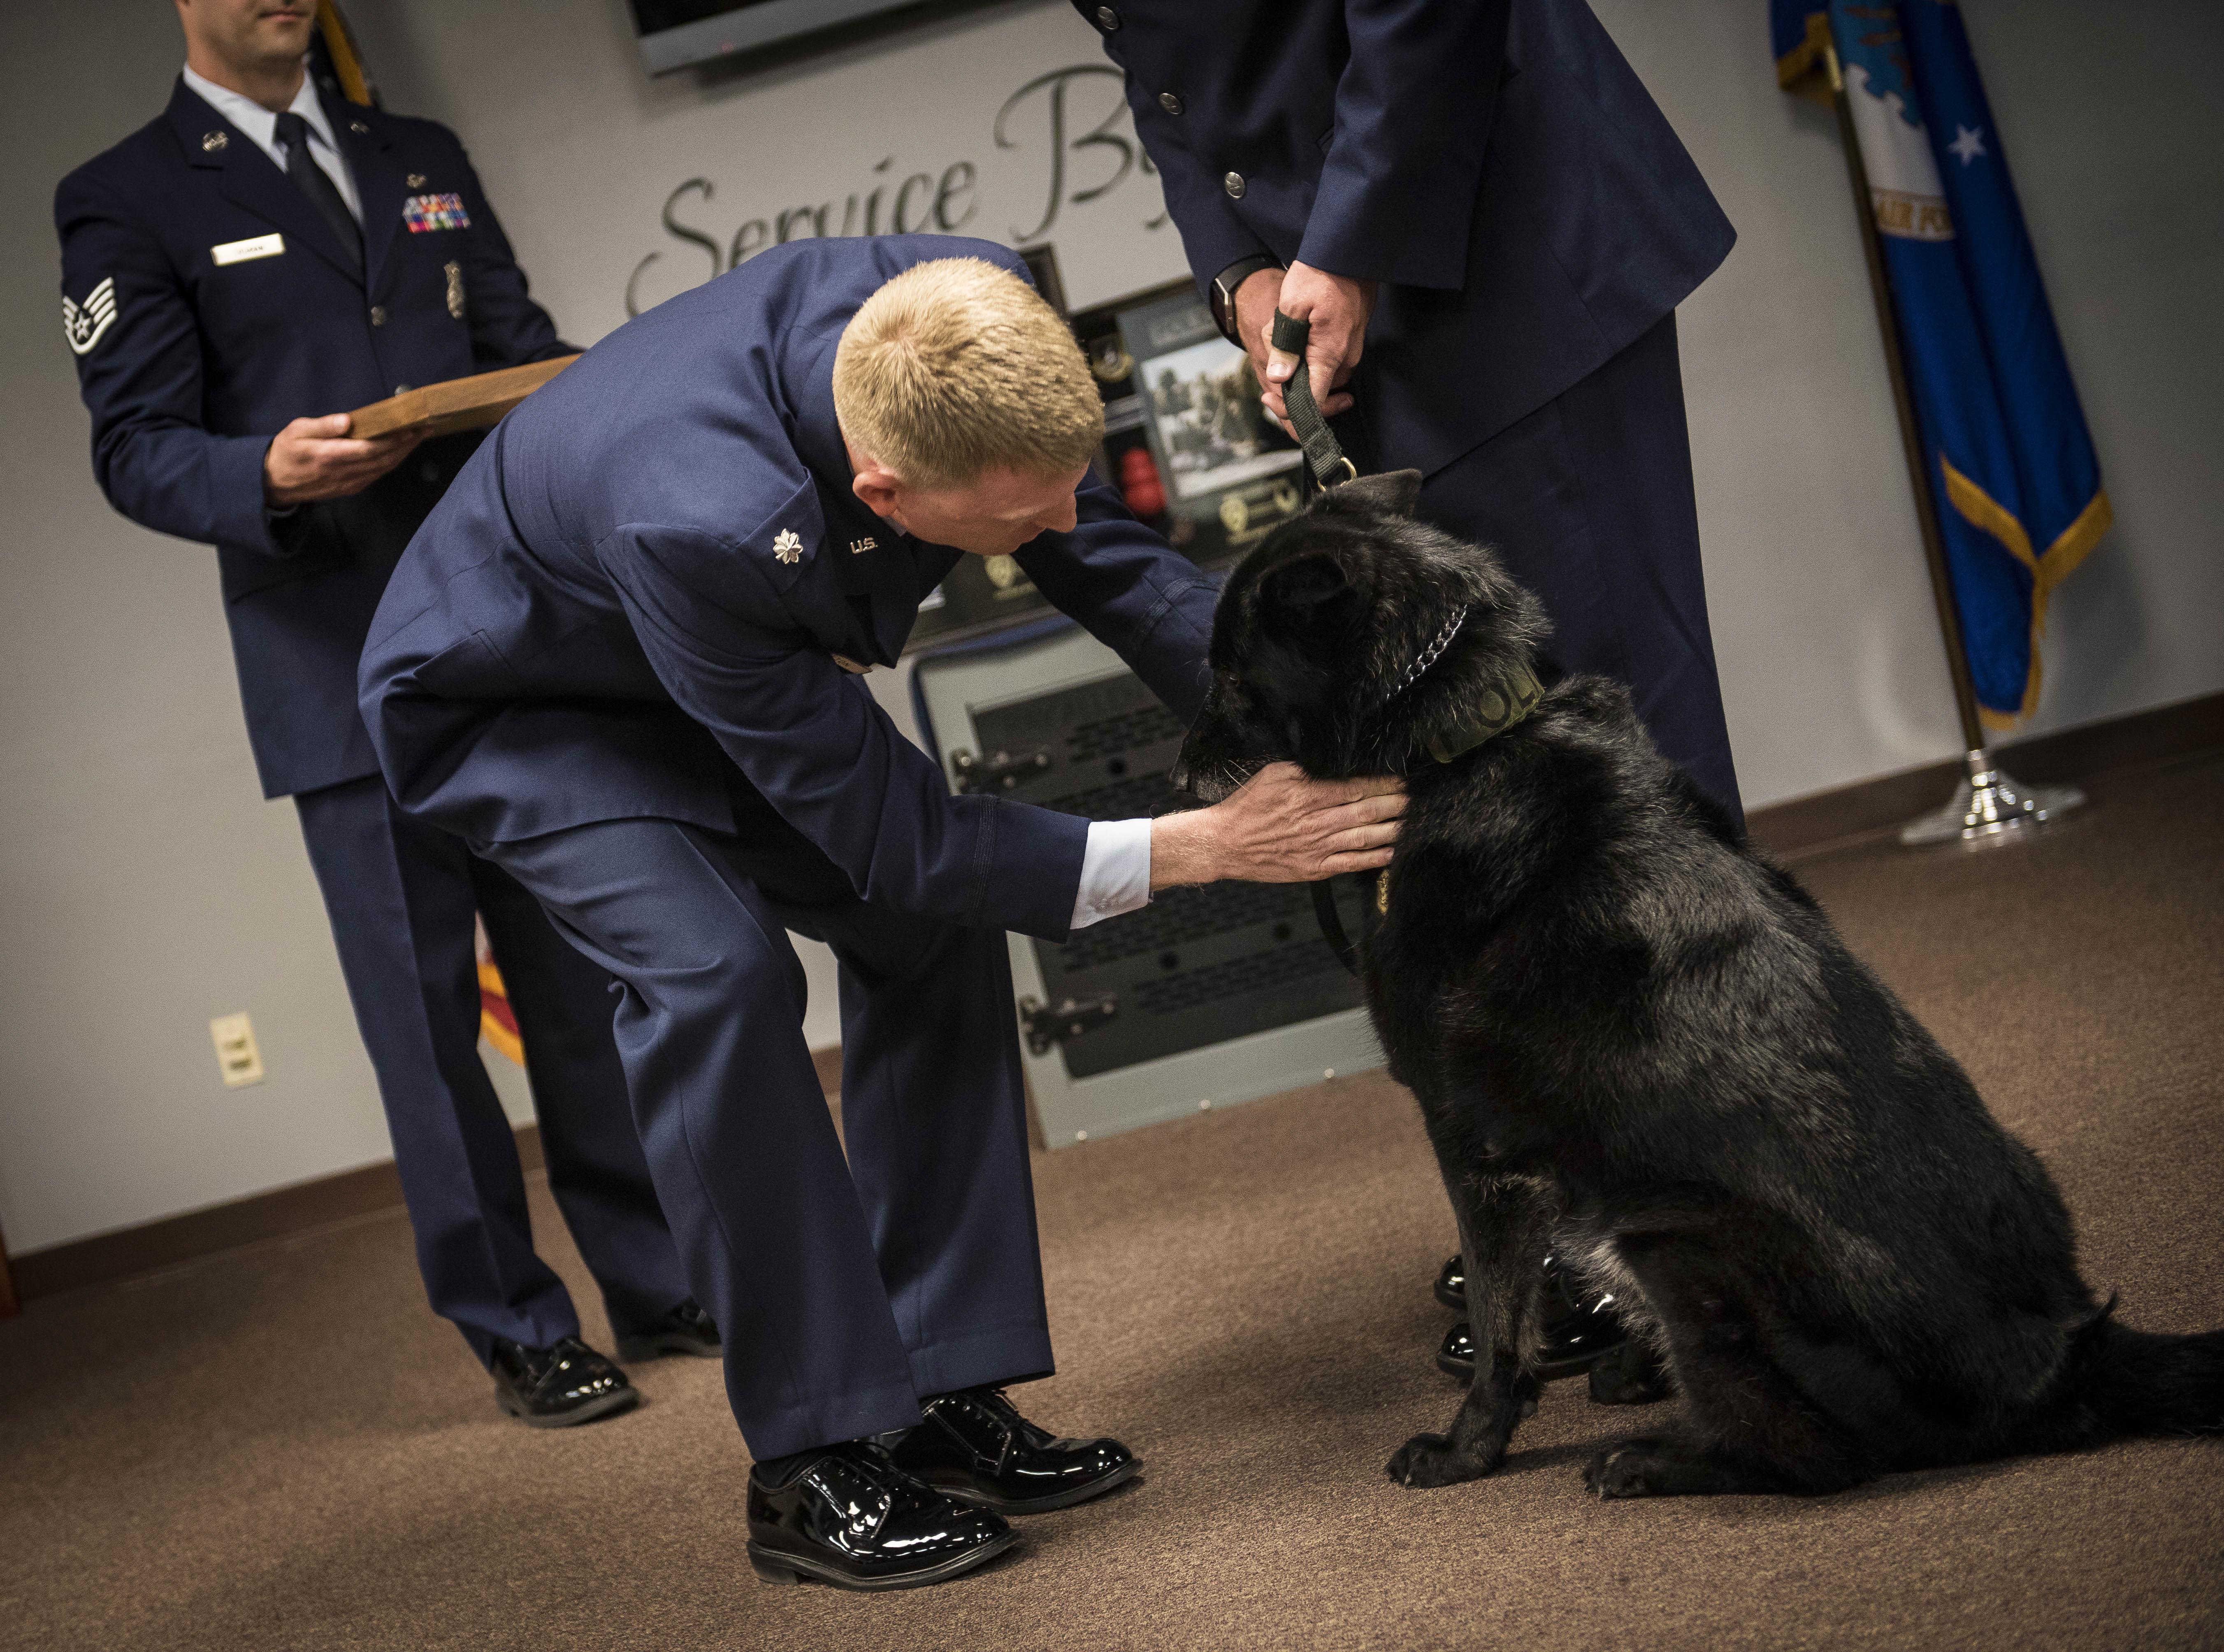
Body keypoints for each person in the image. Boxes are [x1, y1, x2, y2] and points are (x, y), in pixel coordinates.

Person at [358, 241, 1403, 1590]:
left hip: (702, 653)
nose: (1058, 528)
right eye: (1019, 522)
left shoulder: (951, 314)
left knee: (926, 932)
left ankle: (933, 1380)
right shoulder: (706, 518)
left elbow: (1098, 553)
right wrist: (1204, 846)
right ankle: (808, 1461)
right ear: (883, 492)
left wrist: (1311, 716)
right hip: (522, 701)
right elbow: (903, 838)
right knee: (715, 974)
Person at [55, 0, 714, 1426]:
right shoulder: (125, 195)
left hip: (507, 631)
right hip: (332, 658)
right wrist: (266, 475)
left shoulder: (417, 150)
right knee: (424, 1022)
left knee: (581, 981)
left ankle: (656, 1281)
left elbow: (524, 345)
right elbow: (137, 449)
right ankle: (515, 1325)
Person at [1071, 0, 1745, 1384]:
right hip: (1346, 282)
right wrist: (1238, 271)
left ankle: (1736, 1222)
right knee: (1485, 811)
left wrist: (1349, 241)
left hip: (1504, 259)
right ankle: (1587, 1217)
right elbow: (1160, 65)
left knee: (1620, 761)